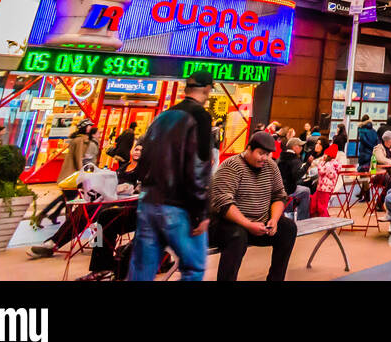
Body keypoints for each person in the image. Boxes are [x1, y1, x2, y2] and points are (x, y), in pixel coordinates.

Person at [127, 71, 215, 281]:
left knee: (141, 269)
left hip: (148, 201)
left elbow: (143, 160)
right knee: (193, 268)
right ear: (207, 88)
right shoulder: (200, 117)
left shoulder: (162, 117)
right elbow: (198, 167)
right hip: (179, 206)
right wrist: (200, 212)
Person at [209, 131, 295, 281]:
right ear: (249, 149)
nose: (264, 158)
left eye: (267, 154)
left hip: (258, 224)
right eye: (260, 153)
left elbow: (279, 195)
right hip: (227, 224)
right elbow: (223, 203)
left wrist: (274, 220)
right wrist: (248, 224)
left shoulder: (270, 166)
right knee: (237, 235)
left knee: (288, 228)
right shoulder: (231, 167)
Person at [277, 137, 311, 220]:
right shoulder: (294, 159)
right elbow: (297, 176)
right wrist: (308, 164)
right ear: (294, 147)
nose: (301, 148)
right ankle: (302, 219)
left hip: (278, 188)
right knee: (306, 191)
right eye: (300, 146)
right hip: (288, 189)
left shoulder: (281, 157)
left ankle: (289, 213)